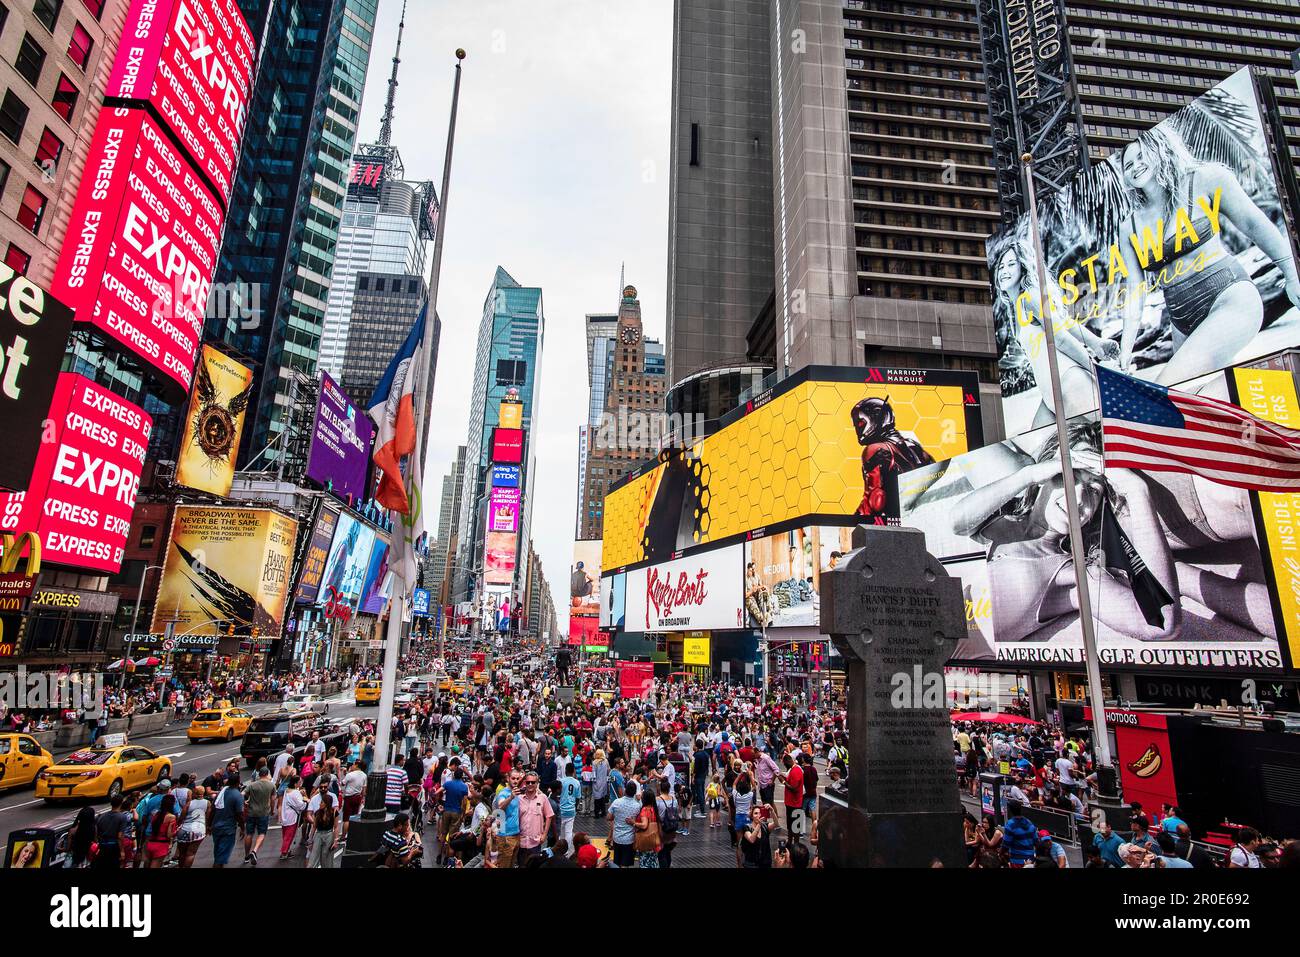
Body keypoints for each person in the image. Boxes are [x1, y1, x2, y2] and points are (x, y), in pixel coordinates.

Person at [516, 770, 554, 866]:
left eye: (533, 782)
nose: (530, 784)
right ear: (525, 783)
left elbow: (549, 816)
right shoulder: (519, 798)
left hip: (535, 842)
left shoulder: (543, 798)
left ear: (537, 783)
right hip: (521, 842)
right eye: (528, 782)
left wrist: (544, 834)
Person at [242, 766, 275, 866]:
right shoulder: (271, 785)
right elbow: (273, 799)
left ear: (259, 774)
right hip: (264, 813)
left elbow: (242, 793)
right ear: (267, 774)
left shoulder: (252, 785)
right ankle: (254, 851)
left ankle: (247, 855)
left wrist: (244, 803)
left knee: (249, 834)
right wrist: (272, 811)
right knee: (261, 833)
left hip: (251, 812)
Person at [209, 777, 245, 869]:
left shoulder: (221, 793)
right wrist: (242, 827)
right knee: (221, 857)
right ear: (237, 783)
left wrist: (209, 825)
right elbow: (239, 814)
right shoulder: (237, 795)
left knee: (218, 853)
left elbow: (212, 810)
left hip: (216, 827)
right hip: (227, 829)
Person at [91, 794, 132, 869]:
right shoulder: (122, 817)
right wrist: (122, 851)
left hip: (102, 846)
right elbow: (120, 836)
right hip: (114, 847)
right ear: (121, 803)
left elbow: (96, 832)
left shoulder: (102, 816)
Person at [607, 779, 641, 868]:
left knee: (617, 862)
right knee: (625, 864)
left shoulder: (616, 802)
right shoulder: (637, 806)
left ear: (625, 790)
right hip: (629, 839)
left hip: (617, 837)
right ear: (634, 793)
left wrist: (616, 816)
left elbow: (608, 817)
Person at [175, 785, 210, 868]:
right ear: (203, 793)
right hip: (198, 830)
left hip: (184, 829)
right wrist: (207, 828)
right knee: (191, 853)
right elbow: (208, 817)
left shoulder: (189, 803)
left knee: (182, 853)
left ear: (194, 792)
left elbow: (181, 818)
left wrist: (178, 825)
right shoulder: (207, 803)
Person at [144, 794, 179, 868]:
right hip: (161, 845)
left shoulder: (156, 814)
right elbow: (169, 835)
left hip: (151, 842)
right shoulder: (171, 817)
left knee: (147, 863)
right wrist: (176, 830)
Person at [278, 776, 308, 861]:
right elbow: (300, 805)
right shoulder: (295, 793)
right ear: (295, 784)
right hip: (292, 817)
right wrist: (305, 801)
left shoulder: (287, 790)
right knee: (289, 836)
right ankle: (284, 852)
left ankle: (286, 850)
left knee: (285, 835)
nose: (300, 783)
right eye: (299, 782)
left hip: (285, 816)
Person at [632, 786, 661, 869]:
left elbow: (644, 825)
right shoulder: (654, 809)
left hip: (645, 842)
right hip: (654, 841)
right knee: (654, 863)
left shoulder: (645, 810)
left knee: (644, 863)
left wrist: (634, 823)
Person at [1002, 802, 1037, 868]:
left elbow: (1005, 844)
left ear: (1010, 810)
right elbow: (1036, 841)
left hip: (1017, 861)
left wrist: (1000, 854)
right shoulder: (1029, 822)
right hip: (1030, 860)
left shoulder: (1010, 824)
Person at [557, 762, 580, 856]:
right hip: (571, 810)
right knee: (569, 832)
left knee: (561, 832)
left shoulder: (561, 781)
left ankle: (560, 849)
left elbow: (558, 795)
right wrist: (575, 807)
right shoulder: (577, 782)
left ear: (565, 771)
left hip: (561, 809)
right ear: (574, 771)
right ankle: (566, 851)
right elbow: (578, 797)